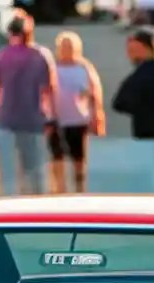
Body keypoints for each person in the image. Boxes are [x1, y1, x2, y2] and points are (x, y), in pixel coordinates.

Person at [0, 11, 57, 195]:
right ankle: (39, 209)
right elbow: (49, 90)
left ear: (10, 32)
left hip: (6, 118)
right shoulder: (42, 55)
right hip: (33, 119)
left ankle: (8, 209)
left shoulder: (2, 56)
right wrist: (52, 118)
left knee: (7, 171)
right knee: (35, 168)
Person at [111, 29, 154, 193]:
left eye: (133, 49)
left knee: (148, 179)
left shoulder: (144, 73)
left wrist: (141, 109)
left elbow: (119, 102)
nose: (129, 54)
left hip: (147, 133)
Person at [47, 31, 105, 193]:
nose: (67, 50)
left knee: (79, 157)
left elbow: (94, 94)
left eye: (70, 46)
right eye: (64, 46)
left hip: (79, 119)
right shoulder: (53, 68)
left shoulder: (84, 68)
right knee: (56, 155)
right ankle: (59, 189)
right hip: (57, 119)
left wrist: (97, 116)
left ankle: (80, 188)